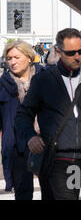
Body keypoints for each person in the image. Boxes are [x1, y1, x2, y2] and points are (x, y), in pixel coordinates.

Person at [15, 28, 81, 200]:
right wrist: (30, 136)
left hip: (80, 159)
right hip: (53, 157)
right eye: (71, 53)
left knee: (68, 195)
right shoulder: (44, 80)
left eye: (80, 51)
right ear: (58, 52)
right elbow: (23, 115)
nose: (77, 56)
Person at [0, 40, 43, 200]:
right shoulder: (3, 84)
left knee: (52, 190)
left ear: (29, 57)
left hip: (45, 141)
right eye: (9, 58)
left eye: (16, 57)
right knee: (23, 193)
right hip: (18, 146)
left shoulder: (45, 79)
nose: (12, 62)